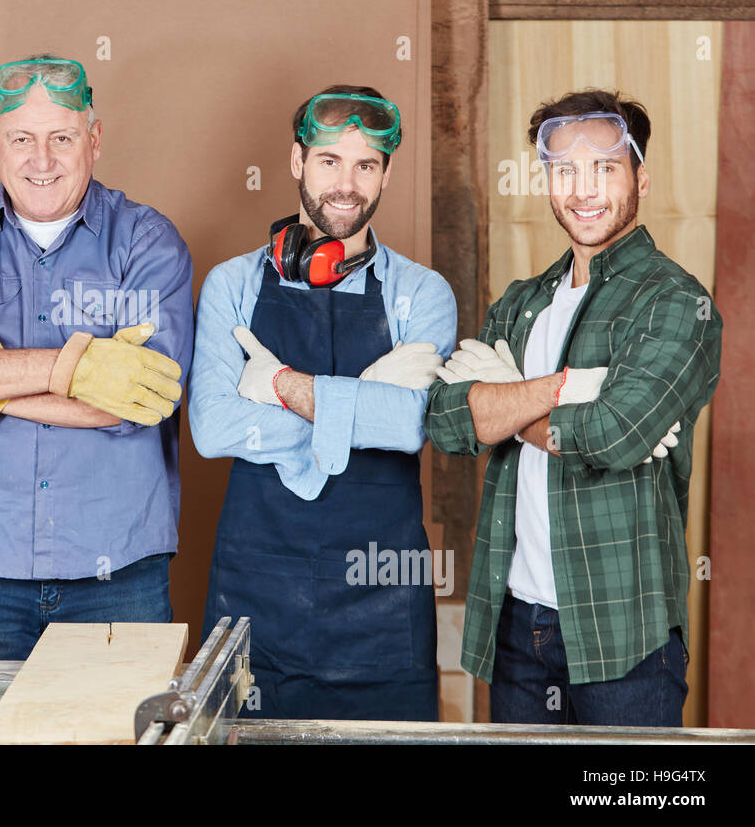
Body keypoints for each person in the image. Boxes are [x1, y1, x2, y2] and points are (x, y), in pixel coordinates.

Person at [424, 89, 722, 726]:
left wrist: (504, 395)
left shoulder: (675, 303)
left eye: (604, 169)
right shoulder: (522, 301)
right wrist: (566, 388)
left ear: (640, 176)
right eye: (564, 171)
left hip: (624, 628)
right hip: (518, 623)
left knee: (625, 800)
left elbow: (613, 436)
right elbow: (448, 420)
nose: (583, 190)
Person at [0, 55, 194, 660]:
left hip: (119, 575)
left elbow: (141, 397)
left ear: (94, 140)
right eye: (22, 138)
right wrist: (68, 369)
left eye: (62, 138)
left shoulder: (147, 241)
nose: (41, 159)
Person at [189, 86, 457, 721]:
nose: (346, 183)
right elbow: (213, 427)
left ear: (387, 172)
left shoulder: (423, 292)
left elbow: (411, 426)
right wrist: (360, 409)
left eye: (366, 165)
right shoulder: (232, 283)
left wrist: (281, 386)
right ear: (295, 161)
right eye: (329, 161)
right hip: (257, 586)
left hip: (383, 599)